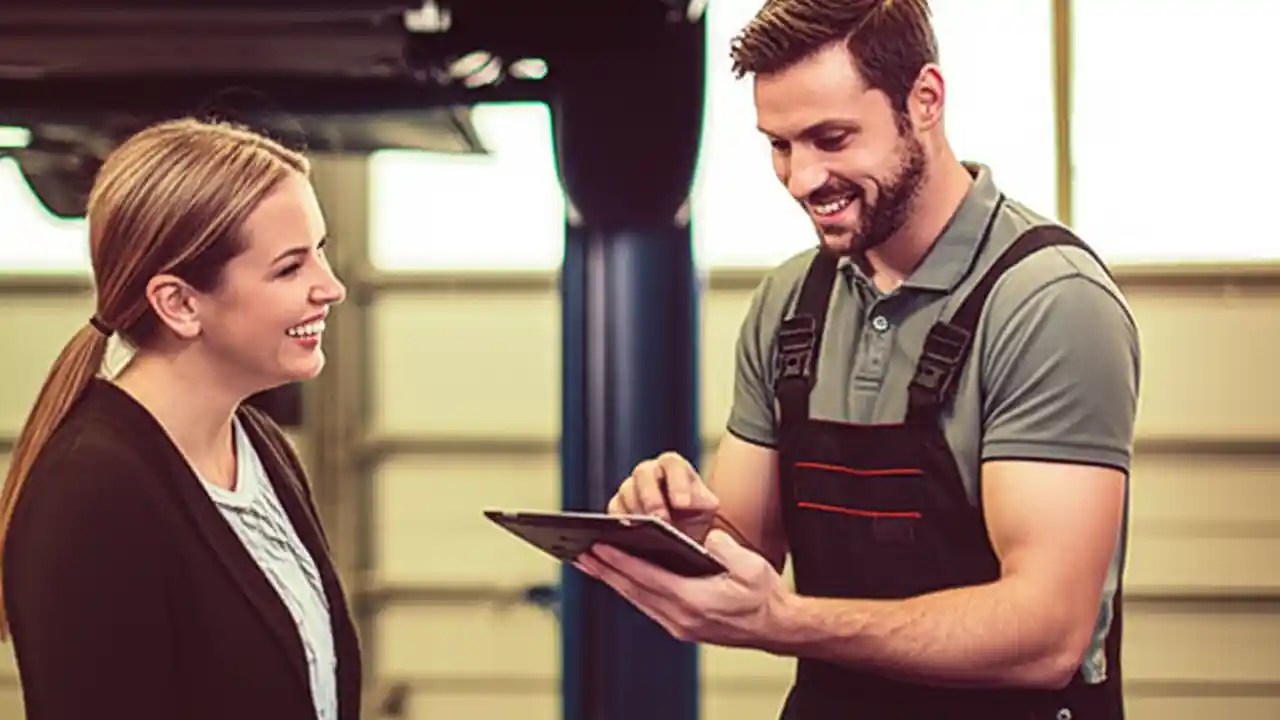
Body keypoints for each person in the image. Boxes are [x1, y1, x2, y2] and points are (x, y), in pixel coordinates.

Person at [578, 1, 1140, 718]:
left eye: (832, 138)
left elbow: (1046, 636)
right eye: (779, 145)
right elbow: (742, 543)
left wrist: (787, 621)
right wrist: (681, 532)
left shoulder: (1048, 301)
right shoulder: (790, 302)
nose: (802, 178)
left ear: (925, 101)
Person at [0, 118, 362, 720]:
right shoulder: (91, 490)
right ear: (180, 303)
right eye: (290, 267)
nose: (332, 287)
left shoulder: (260, 447)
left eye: (319, 252)